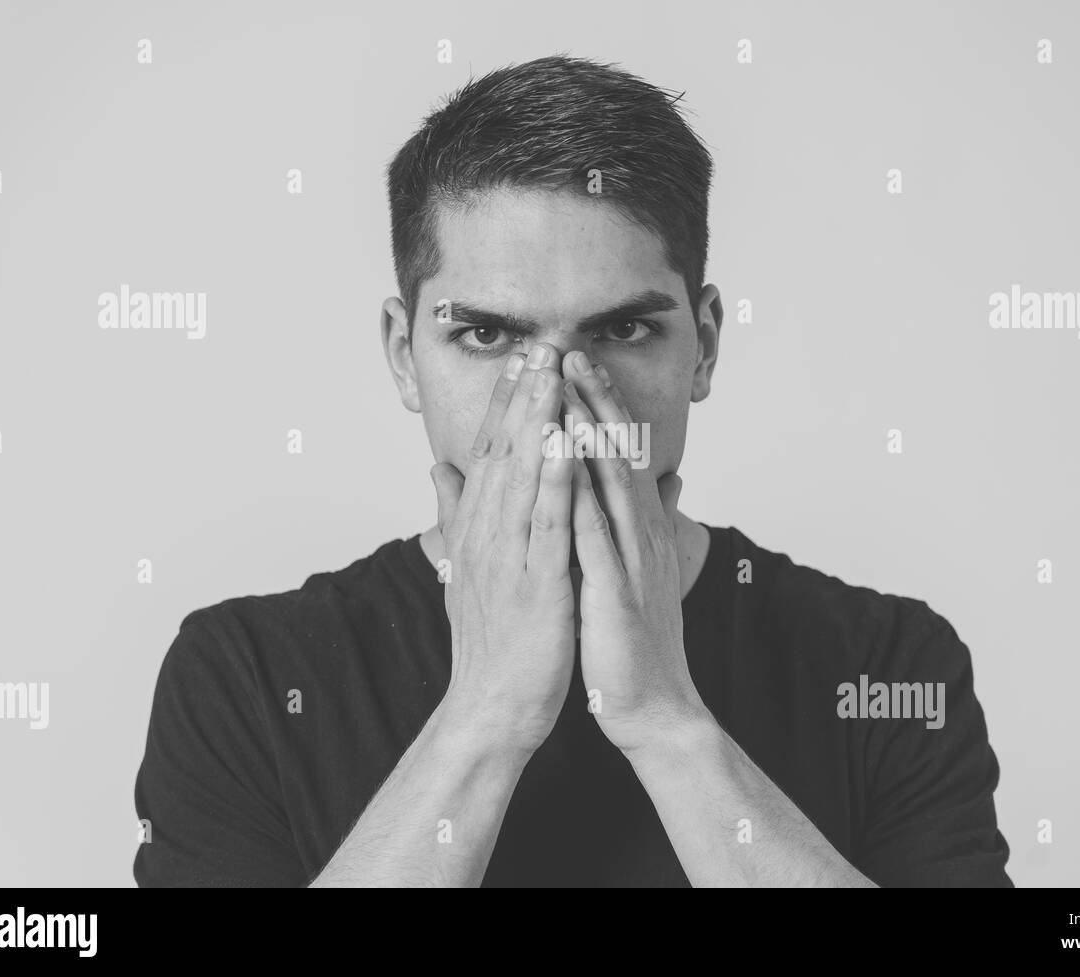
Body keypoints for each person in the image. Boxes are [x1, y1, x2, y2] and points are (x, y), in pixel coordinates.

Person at [133, 54, 1012, 887]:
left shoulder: (888, 663)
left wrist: (665, 719)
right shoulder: (243, 675)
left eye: (623, 330)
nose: (552, 397)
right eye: (487, 335)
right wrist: (484, 714)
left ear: (702, 346)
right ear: (406, 355)